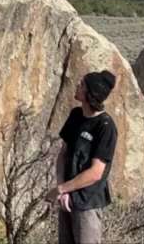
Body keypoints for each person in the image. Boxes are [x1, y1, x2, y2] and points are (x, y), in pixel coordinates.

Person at [52, 71, 119, 244]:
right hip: (66, 199)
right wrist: (62, 188)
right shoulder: (75, 115)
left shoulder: (105, 127)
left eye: (81, 85)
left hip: (87, 203)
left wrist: (64, 189)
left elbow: (96, 172)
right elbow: (63, 154)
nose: (77, 86)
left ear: (91, 94)